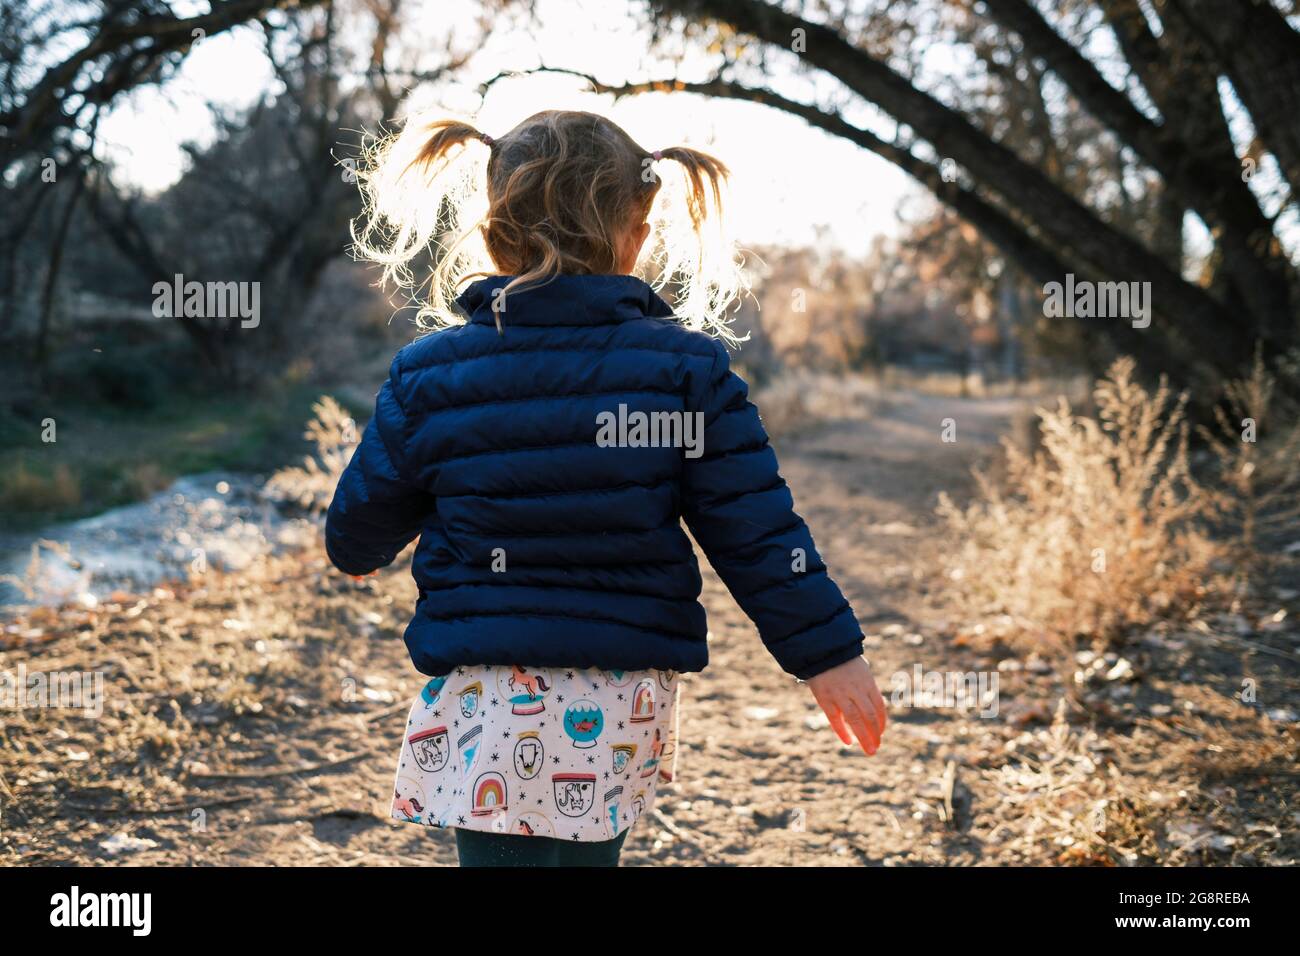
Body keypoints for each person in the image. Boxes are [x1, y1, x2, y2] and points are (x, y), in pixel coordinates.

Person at [326, 109, 887, 867]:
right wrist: (828, 654)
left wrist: (365, 545)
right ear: (637, 232)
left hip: (489, 695)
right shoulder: (685, 371)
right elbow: (754, 531)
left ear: (492, 232)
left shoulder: (432, 374)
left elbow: (358, 532)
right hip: (619, 694)